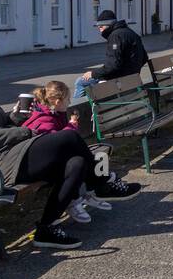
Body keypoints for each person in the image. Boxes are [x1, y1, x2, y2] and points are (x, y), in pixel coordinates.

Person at [0, 47, 139, 250]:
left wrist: (15, 118)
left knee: (76, 163)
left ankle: (47, 228)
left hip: (8, 156)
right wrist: (22, 132)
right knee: (68, 138)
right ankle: (101, 182)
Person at [19, 80, 111, 224]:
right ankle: (87, 192)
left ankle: (90, 191)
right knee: (79, 159)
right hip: (35, 163)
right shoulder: (44, 120)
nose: (69, 103)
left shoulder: (56, 113)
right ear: (57, 101)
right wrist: (71, 127)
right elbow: (57, 144)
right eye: (67, 100)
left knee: (85, 157)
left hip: (48, 160)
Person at [75, 10, 149, 101]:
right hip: (133, 78)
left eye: (100, 26)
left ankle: (77, 111)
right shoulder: (131, 32)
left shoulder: (115, 36)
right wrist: (131, 70)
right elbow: (145, 58)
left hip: (118, 79)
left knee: (80, 82)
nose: (99, 29)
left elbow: (113, 66)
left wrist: (93, 73)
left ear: (107, 25)